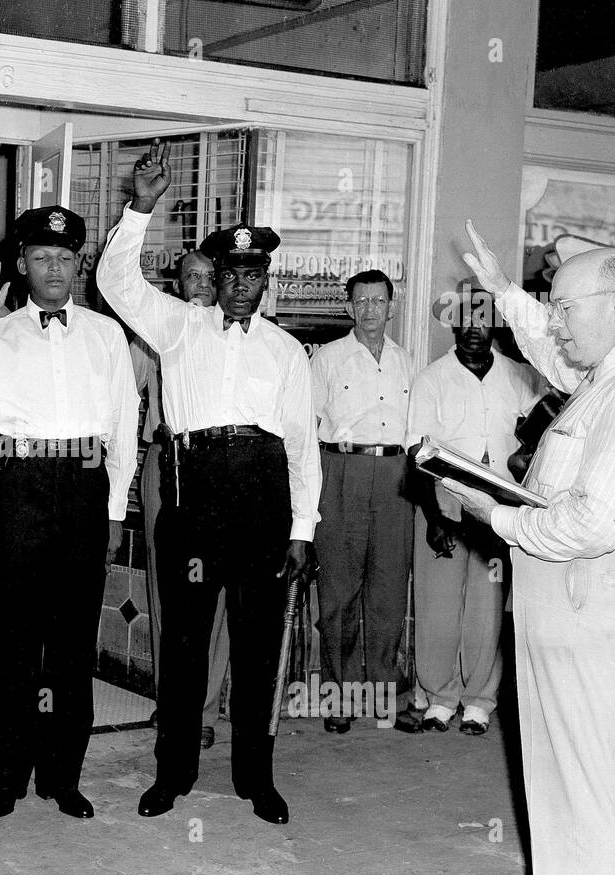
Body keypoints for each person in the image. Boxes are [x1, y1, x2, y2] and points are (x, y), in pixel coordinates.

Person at [447, 220, 615, 875]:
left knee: (574, 777)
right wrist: (503, 290)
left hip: (588, 583)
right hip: (586, 586)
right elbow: (558, 358)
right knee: (585, 769)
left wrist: (494, 512)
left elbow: (591, 523)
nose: (554, 321)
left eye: (565, 307)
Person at [97, 140, 318, 824]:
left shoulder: (285, 351)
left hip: (261, 502)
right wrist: (141, 206)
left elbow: (303, 446)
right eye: (233, 271)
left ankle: (257, 778)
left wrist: (302, 528)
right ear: (215, 276)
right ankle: (174, 774)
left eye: (256, 273)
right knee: (186, 649)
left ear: (265, 280)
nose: (244, 283)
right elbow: (114, 283)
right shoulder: (179, 326)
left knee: (256, 651)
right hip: (194, 501)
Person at [0, 204, 138, 820]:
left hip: (82, 489)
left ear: (79, 263)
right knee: (10, 646)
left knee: (72, 645)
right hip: (17, 489)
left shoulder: (106, 335)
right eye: (42, 257)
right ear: (21, 264)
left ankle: (62, 776)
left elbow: (124, 427)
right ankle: (5, 778)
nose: (55, 268)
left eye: (65, 257)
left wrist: (113, 509)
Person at [407, 280, 543, 735]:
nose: (473, 328)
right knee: (438, 605)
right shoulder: (432, 378)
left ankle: (480, 700)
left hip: (497, 506)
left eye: (484, 319)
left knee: (488, 603)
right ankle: (439, 696)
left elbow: (541, 433)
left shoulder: (520, 376)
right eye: (465, 318)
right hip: (444, 499)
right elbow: (416, 453)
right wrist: (433, 516)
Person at [310, 268, 417, 733]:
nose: (371, 310)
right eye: (362, 302)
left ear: (391, 308)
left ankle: (384, 695)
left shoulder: (410, 362)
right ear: (349, 308)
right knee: (337, 590)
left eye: (379, 301)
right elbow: (305, 428)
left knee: (389, 591)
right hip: (340, 470)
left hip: (397, 475)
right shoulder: (326, 359)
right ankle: (341, 696)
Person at [132, 250, 232, 749]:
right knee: (164, 582)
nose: (200, 284)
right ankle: (170, 699)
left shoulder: (233, 331)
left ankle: (205, 706)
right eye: (190, 276)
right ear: (176, 282)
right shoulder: (157, 329)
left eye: (209, 277)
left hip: (216, 467)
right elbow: (118, 389)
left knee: (213, 584)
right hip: (163, 458)